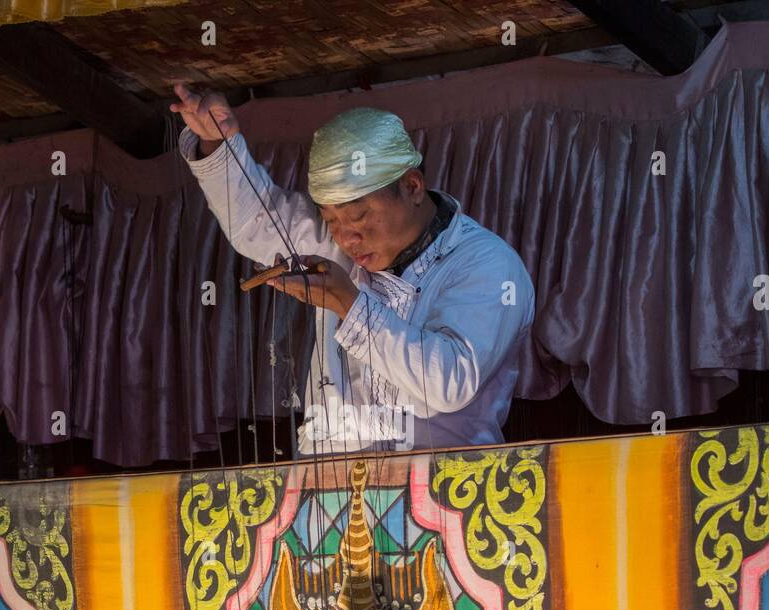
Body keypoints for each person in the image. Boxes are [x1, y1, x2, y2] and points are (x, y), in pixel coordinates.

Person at [171, 86, 535, 456]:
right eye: (330, 219)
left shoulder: (487, 263)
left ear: (412, 186)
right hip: (326, 495)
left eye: (359, 215)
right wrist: (218, 145)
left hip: (448, 490)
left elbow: (448, 383)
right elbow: (257, 222)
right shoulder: (336, 246)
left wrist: (351, 305)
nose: (347, 238)